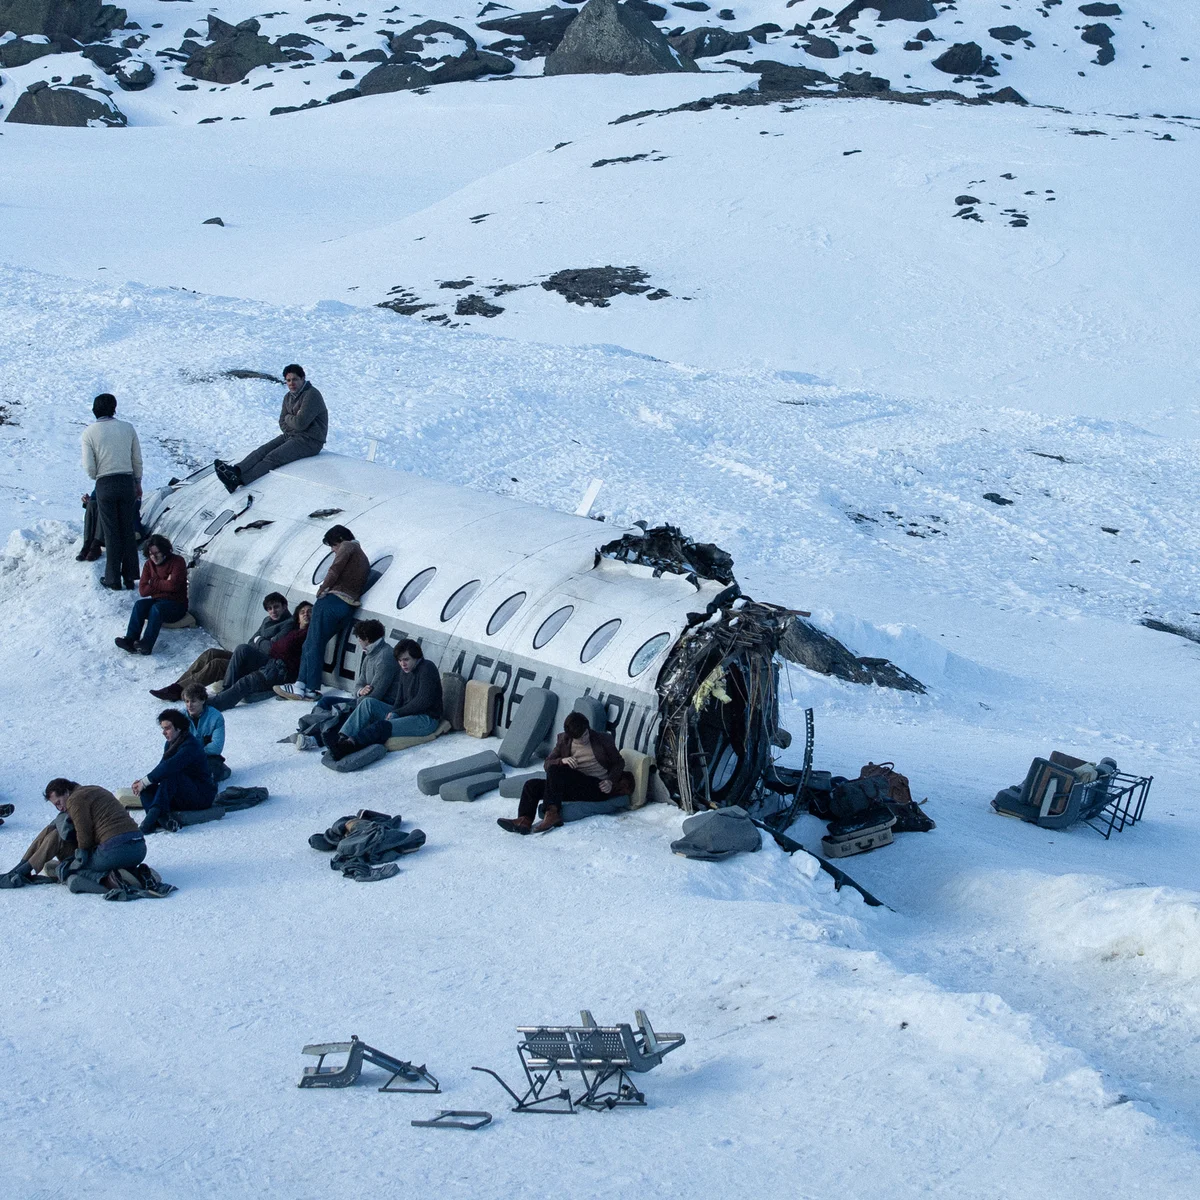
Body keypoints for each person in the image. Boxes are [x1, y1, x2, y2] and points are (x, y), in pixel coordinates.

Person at [497, 711, 633, 835]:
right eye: (580, 738)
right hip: (574, 785)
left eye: (586, 733)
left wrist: (610, 781)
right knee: (531, 785)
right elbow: (547, 763)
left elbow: (618, 763)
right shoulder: (564, 741)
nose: (585, 738)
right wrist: (563, 760)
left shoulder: (602, 739)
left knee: (556, 771)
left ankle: (552, 813)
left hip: (597, 786)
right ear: (571, 736)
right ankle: (524, 821)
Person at [0, 779, 145, 893]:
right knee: (54, 829)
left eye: (59, 803)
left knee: (67, 870)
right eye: (55, 806)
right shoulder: (94, 790)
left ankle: (111, 880)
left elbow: (84, 832)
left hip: (115, 851)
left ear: (66, 792)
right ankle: (21, 868)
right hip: (138, 847)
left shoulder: (75, 800)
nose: (60, 808)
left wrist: (80, 856)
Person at [274, 526, 369, 700]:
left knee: (311, 644)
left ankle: (304, 686)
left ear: (340, 539)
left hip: (331, 602)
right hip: (347, 607)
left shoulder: (348, 546)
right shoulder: (363, 558)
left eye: (333, 546)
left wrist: (322, 588)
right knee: (313, 643)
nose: (333, 551)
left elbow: (335, 569)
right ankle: (306, 687)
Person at [150, 592, 294, 702]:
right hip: (247, 657)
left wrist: (259, 640)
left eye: (276, 607)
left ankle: (181, 691)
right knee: (211, 653)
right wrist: (261, 641)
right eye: (269, 608)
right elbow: (252, 641)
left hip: (264, 665)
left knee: (217, 665)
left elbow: (271, 648)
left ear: (285, 606)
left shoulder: (289, 623)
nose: (273, 611)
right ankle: (177, 686)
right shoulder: (267, 620)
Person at [318, 639, 442, 759]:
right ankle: (342, 739)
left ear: (416, 657)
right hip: (407, 713)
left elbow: (422, 701)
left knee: (382, 726)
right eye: (399, 660)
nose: (402, 664)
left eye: (406, 659)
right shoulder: (405, 670)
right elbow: (400, 698)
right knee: (368, 703)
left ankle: (350, 745)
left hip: (425, 719)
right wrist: (393, 711)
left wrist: (396, 713)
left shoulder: (427, 668)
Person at [213, 364, 327, 492]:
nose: (291, 383)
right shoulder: (288, 397)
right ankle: (236, 470)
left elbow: (300, 423)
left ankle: (238, 481)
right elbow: (282, 422)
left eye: (295, 379)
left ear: (303, 379)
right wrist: (291, 421)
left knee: (273, 457)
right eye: (288, 380)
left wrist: (289, 418)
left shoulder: (311, 395)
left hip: (310, 441)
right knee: (262, 450)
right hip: (291, 436)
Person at [81, 392, 142, 590]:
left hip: (105, 483)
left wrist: (98, 476)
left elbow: (89, 467)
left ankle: (112, 578)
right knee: (127, 529)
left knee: (111, 532)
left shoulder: (89, 432)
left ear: (94, 410)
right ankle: (130, 576)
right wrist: (137, 482)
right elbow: (137, 459)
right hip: (126, 482)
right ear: (114, 408)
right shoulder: (127, 428)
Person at [211, 601, 312, 710]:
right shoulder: (293, 630)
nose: (306, 614)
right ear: (298, 617)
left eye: (310, 612)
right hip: (271, 660)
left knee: (246, 682)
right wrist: (272, 646)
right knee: (242, 649)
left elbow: (276, 647)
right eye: (302, 612)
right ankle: (226, 690)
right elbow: (274, 647)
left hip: (281, 670)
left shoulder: (309, 633)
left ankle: (214, 705)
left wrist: (261, 641)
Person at [134, 709, 218, 834]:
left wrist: (145, 781)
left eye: (167, 728)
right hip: (181, 793)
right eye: (163, 729)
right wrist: (142, 783)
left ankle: (149, 822)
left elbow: (169, 767)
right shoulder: (170, 744)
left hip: (200, 796)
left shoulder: (190, 745)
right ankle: (163, 820)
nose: (163, 732)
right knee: (147, 788)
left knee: (172, 776)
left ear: (179, 728)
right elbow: (162, 767)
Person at [115, 534, 188, 655]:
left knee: (156, 608)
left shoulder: (177, 562)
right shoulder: (149, 565)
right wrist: (164, 582)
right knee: (140, 605)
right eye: (150, 554)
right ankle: (130, 639)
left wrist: (153, 582)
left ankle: (146, 644)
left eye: (157, 553)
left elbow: (173, 586)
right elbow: (143, 591)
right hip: (158, 601)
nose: (153, 557)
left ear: (164, 551)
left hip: (176, 605)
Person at [307, 618, 398, 716]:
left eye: (359, 638)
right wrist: (360, 691)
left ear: (366, 639)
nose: (358, 641)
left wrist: (348, 705)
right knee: (325, 702)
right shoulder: (370, 655)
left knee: (337, 711)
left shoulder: (385, 658)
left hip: (377, 704)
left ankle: (315, 728)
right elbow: (359, 684)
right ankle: (312, 726)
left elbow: (375, 695)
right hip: (362, 700)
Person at [183, 684, 229, 782]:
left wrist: (194, 753)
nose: (189, 705)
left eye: (193, 701)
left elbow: (216, 747)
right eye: (187, 701)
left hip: (208, 757)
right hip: (186, 757)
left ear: (203, 700)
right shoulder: (180, 717)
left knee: (202, 775)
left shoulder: (216, 717)